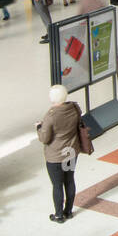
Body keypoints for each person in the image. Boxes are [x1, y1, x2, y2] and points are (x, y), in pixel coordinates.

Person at [37, 85, 84, 223]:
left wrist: (39, 127)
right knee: (69, 181)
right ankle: (68, 211)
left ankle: (58, 215)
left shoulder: (51, 116)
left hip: (55, 156)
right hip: (70, 152)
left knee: (57, 185)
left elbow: (44, 138)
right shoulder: (74, 109)